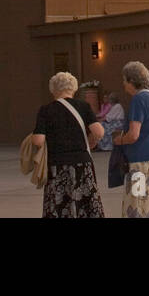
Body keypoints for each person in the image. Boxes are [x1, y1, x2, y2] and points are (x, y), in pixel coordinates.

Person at [31, 72, 105, 218]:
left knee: (58, 206)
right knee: (86, 205)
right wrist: (91, 142)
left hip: (57, 167)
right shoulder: (83, 106)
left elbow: (38, 141)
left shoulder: (46, 110)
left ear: (53, 89)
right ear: (74, 88)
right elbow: (99, 132)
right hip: (82, 164)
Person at [112, 61, 149, 217]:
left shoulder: (139, 100)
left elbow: (133, 135)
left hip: (140, 162)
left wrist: (119, 140)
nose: (123, 84)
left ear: (131, 81)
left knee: (137, 204)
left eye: (124, 80)